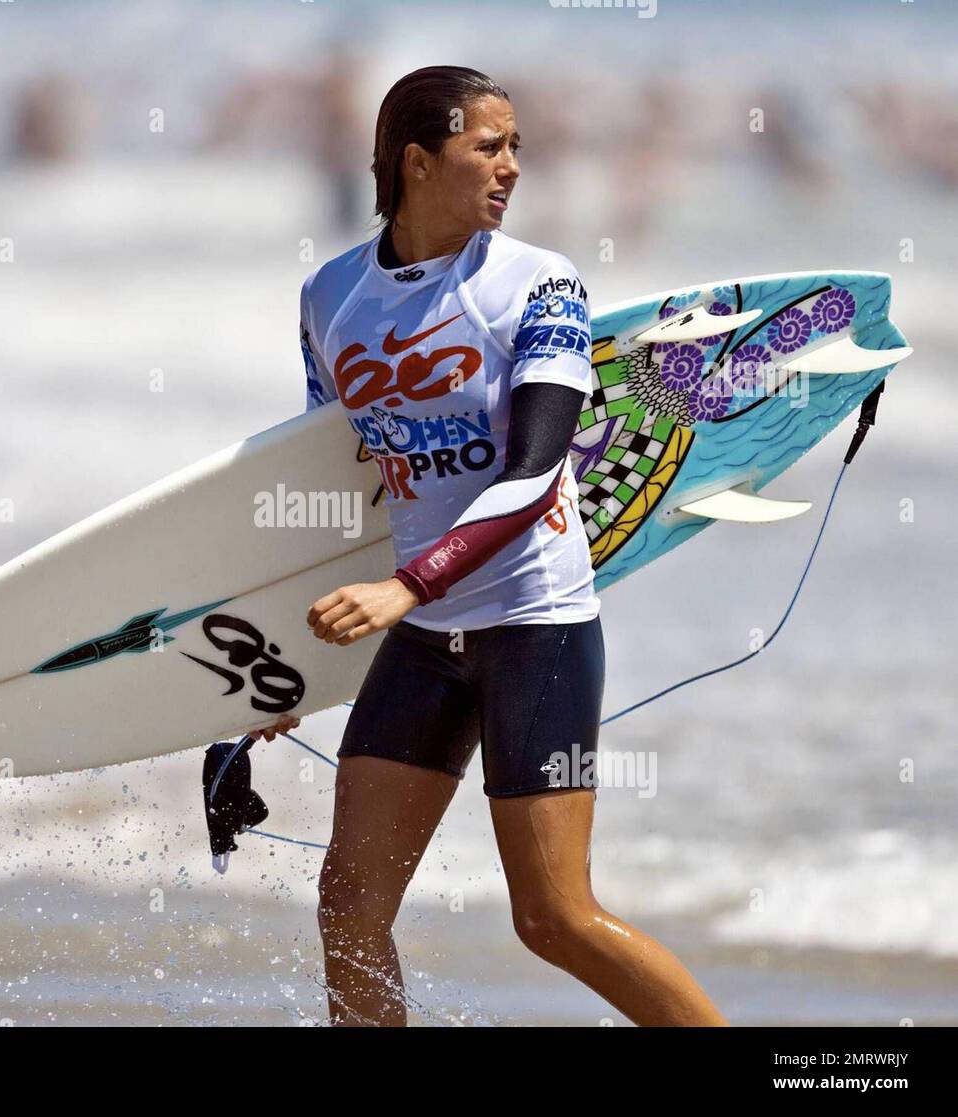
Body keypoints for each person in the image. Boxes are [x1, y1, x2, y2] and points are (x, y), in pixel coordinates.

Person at [256, 66, 727, 1027]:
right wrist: (284, 667)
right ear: (419, 163)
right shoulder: (330, 296)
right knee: (348, 908)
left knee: (553, 916)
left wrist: (403, 588)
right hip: (425, 639)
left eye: (517, 147)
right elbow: (346, 487)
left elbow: (533, 472)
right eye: (490, 148)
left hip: (534, 627)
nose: (512, 167)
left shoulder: (538, 283)